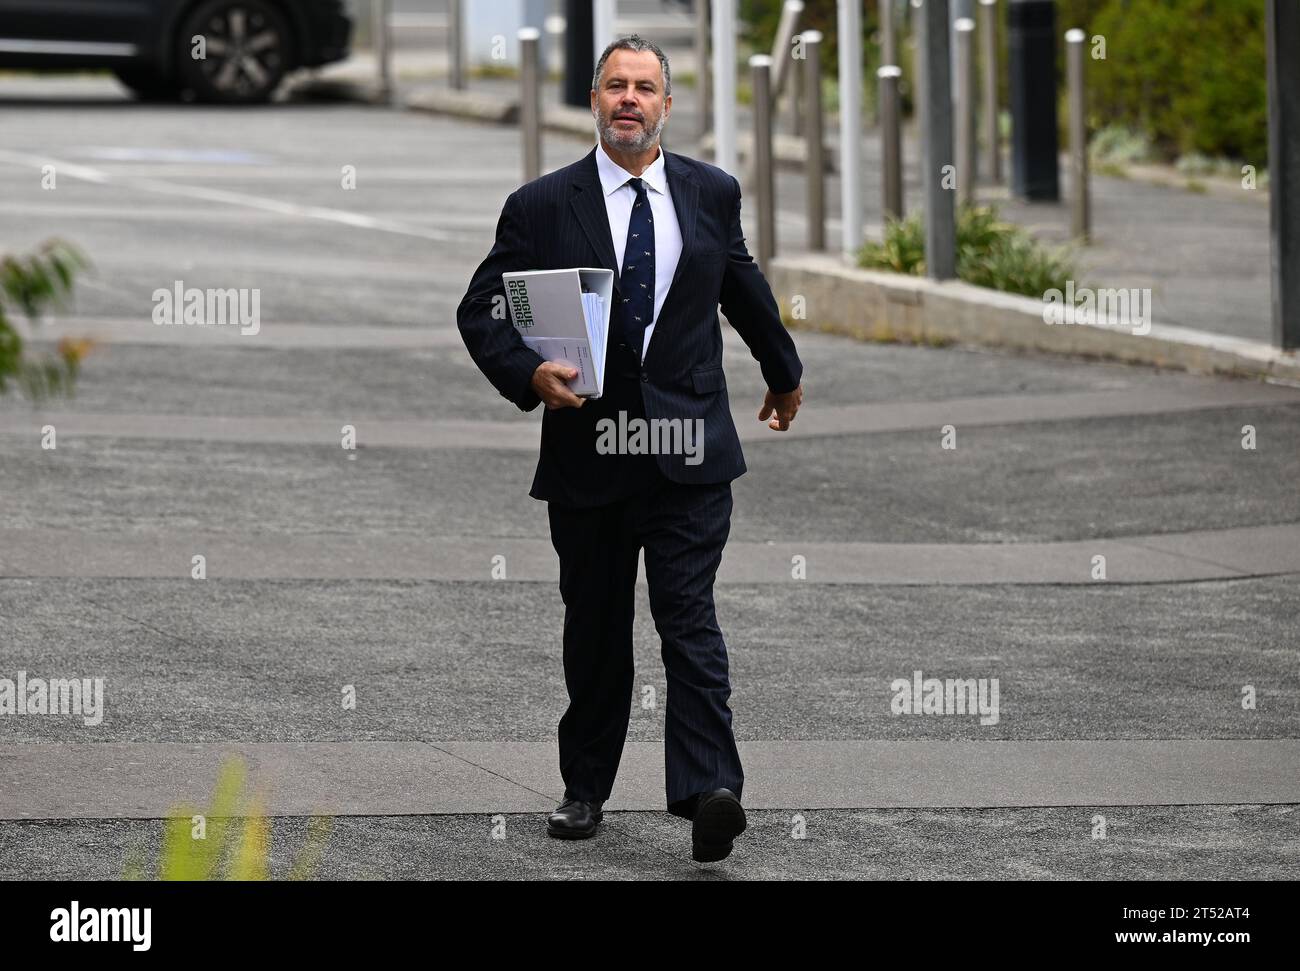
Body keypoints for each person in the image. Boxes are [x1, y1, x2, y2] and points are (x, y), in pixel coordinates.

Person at [456, 34, 803, 863]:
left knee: (690, 620)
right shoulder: (542, 205)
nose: (629, 100)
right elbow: (483, 311)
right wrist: (530, 372)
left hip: (689, 449)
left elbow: (741, 287)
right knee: (599, 627)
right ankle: (585, 788)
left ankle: (710, 790)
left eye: (645, 88)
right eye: (616, 85)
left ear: (667, 105)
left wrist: (784, 371)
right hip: (591, 451)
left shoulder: (711, 192)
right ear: (595, 99)